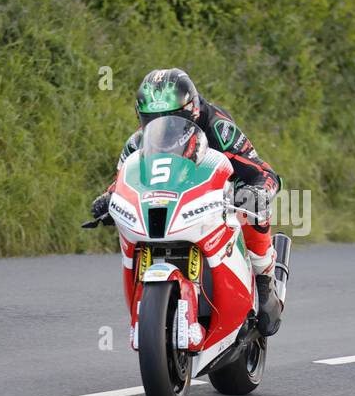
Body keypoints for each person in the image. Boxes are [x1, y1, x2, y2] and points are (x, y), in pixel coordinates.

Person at [92, 68, 283, 336]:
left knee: (251, 205)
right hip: (173, 198)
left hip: (224, 190)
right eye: (152, 119)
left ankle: (264, 276)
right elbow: (125, 179)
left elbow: (262, 171)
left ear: (191, 109)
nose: (163, 125)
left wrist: (259, 191)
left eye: (172, 118)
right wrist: (109, 197)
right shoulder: (138, 142)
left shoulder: (218, 127)